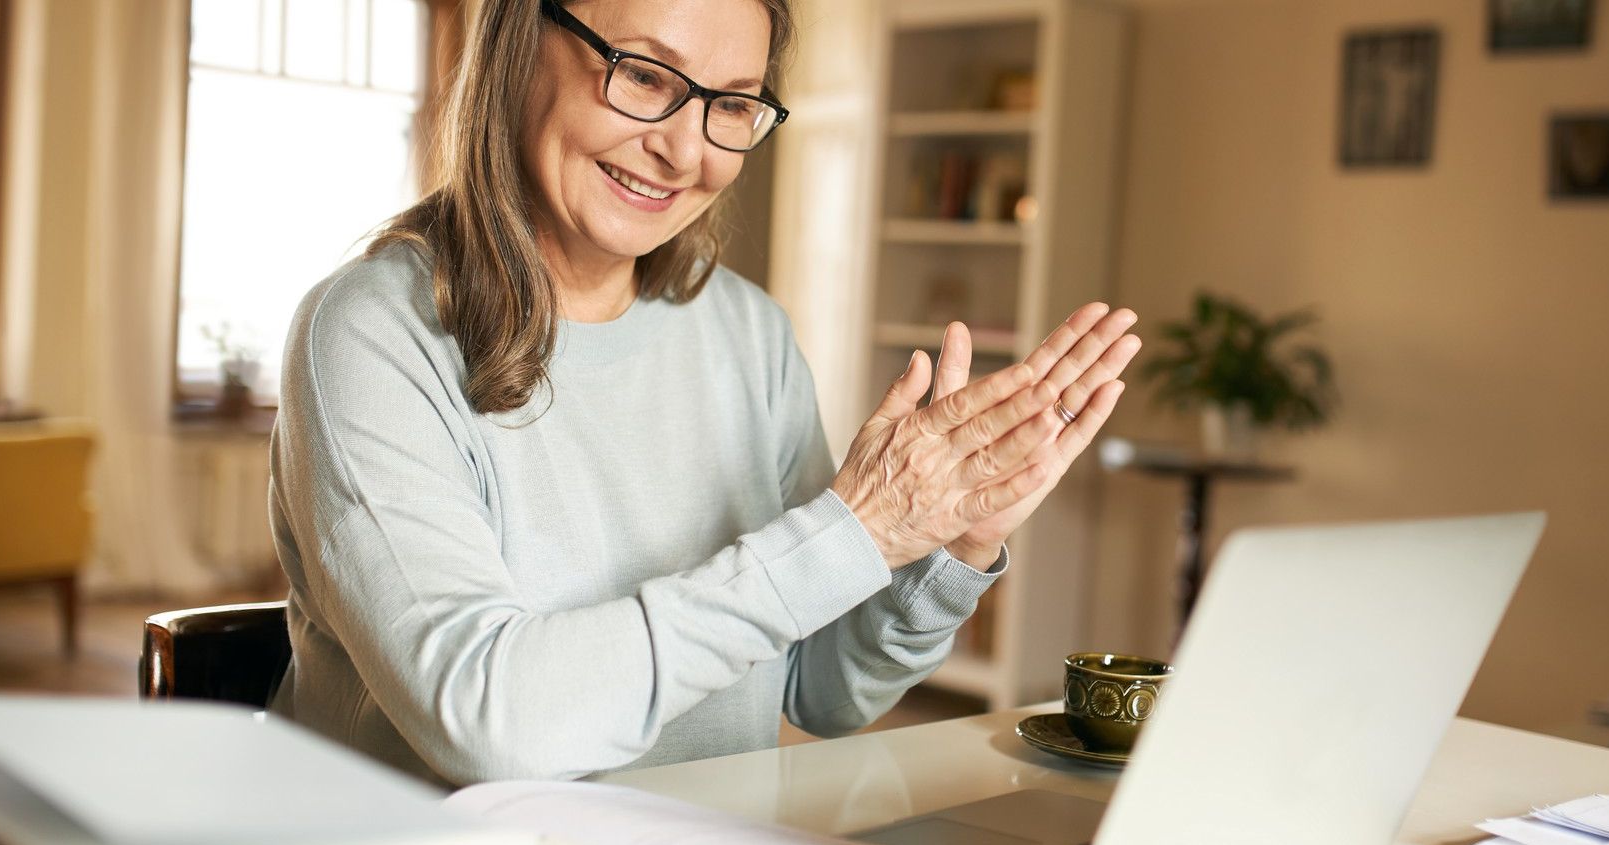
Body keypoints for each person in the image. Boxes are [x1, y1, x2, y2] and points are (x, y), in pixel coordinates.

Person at [266, 0, 1141, 786]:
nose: (685, 150)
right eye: (644, 75)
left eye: (729, 105)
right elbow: (491, 725)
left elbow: (823, 689)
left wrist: (953, 544)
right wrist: (857, 528)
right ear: (516, 41)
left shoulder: (749, 334)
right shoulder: (371, 332)